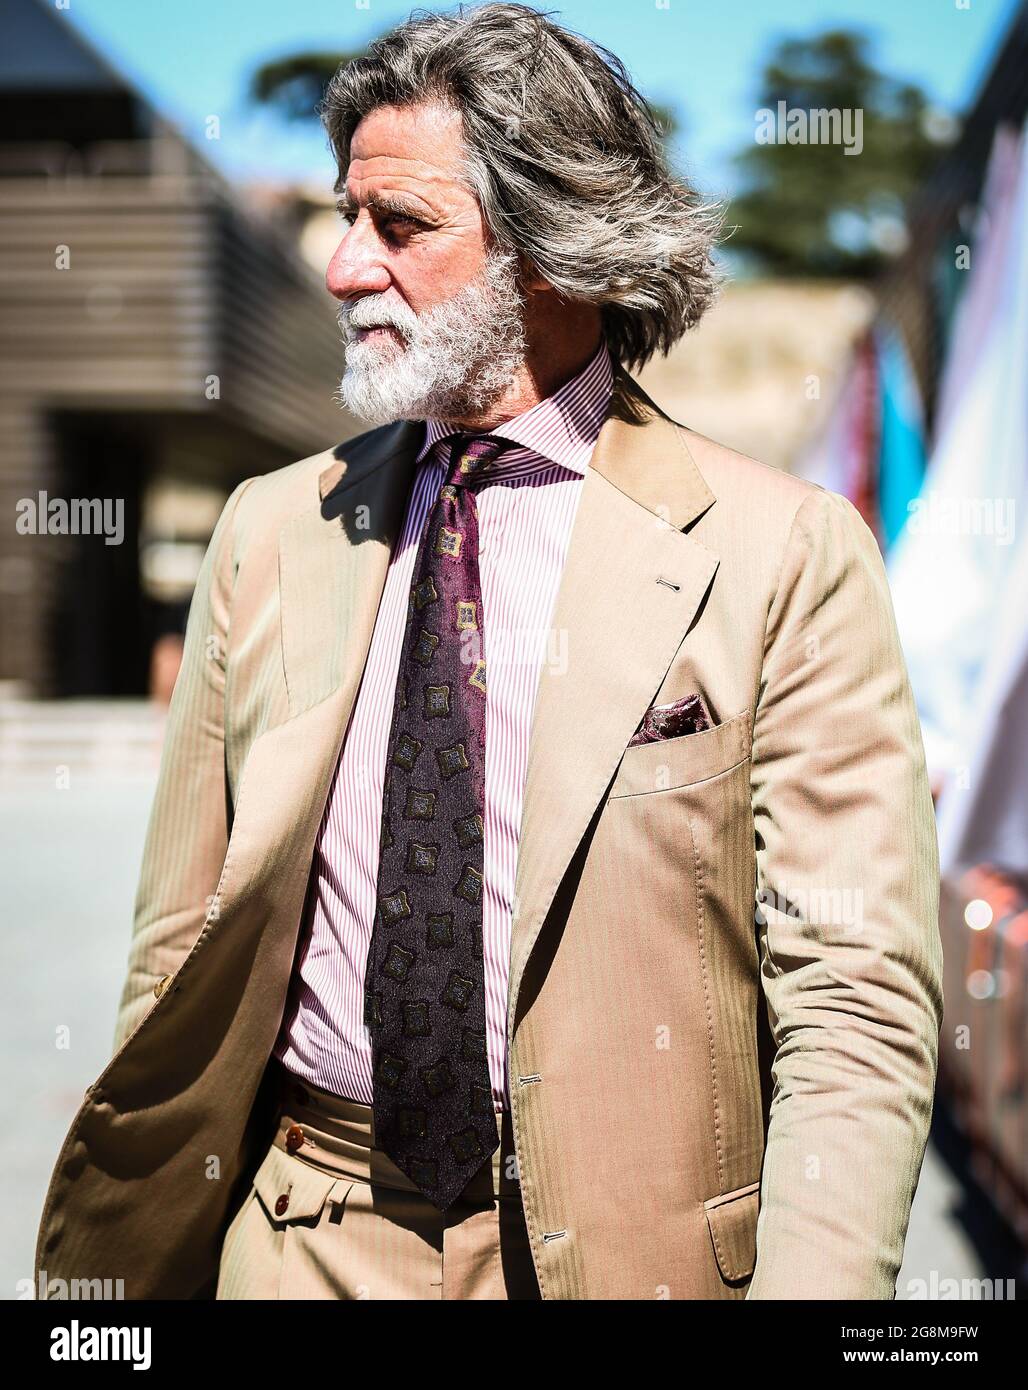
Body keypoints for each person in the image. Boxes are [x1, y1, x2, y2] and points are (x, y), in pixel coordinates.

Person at [36, 3, 942, 1301]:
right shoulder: (269, 533)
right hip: (301, 1240)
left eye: (401, 226)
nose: (344, 267)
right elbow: (177, 950)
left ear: (554, 248)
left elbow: (854, 1002)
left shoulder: (783, 552)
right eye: (346, 217)